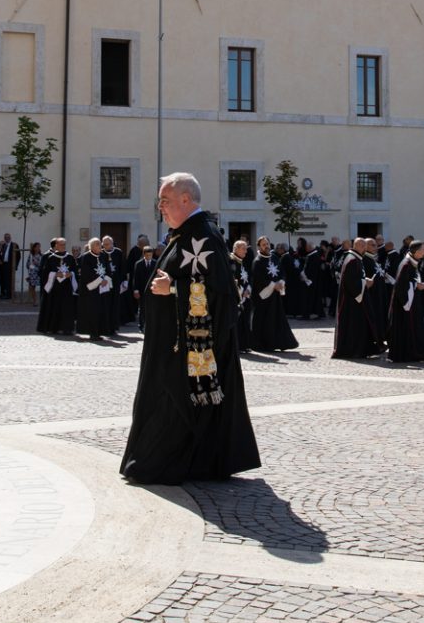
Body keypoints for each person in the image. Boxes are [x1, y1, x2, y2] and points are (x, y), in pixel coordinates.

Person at [121, 173, 260, 484]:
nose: (161, 207)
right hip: (171, 343)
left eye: (166, 201)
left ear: (186, 199)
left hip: (189, 351)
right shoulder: (184, 234)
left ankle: (169, 462)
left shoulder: (204, 237)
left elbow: (221, 295)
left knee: (176, 405)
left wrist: (174, 290)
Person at [249, 236, 299, 352]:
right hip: (263, 297)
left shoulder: (275, 258)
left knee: (277, 319)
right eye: (263, 244)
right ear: (259, 247)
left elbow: (282, 272)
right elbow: (258, 279)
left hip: (275, 296)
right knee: (264, 321)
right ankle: (263, 344)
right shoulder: (257, 261)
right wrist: (273, 285)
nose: (266, 246)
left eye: (267, 243)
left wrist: (281, 282)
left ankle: (281, 342)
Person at [388, 240, 424, 361]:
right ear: (417, 251)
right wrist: (416, 285)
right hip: (405, 304)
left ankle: (421, 351)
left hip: (412, 301)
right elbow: (400, 285)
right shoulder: (406, 264)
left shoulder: (413, 262)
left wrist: (416, 284)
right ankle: (411, 353)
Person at [333, 237, 379, 359]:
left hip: (356, 299)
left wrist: (364, 281)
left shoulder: (355, 258)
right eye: (363, 246)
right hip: (352, 302)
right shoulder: (352, 260)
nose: (365, 249)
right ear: (358, 246)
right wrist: (365, 283)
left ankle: (364, 348)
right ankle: (355, 350)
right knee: (354, 326)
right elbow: (351, 282)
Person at [74, 237, 113, 341]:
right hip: (90, 290)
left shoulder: (104, 255)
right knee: (92, 312)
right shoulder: (86, 257)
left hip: (102, 289)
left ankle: (100, 331)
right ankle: (93, 333)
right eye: (97, 244)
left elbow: (108, 269)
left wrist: (106, 279)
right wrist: (100, 280)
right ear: (91, 246)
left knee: (101, 311)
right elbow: (87, 274)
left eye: (100, 244)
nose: (100, 246)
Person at [36, 238, 77, 335]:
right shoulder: (51, 258)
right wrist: (54, 274)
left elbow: (75, 271)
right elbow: (44, 273)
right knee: (54, 307)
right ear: (56, 245)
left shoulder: (70, 258)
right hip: (54, 288)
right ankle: (53, 328)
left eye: (64, 244)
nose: (63, 246)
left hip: (66, 288)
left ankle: (67, 328)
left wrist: (71, 274)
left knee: (66, 308)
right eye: (61, 244)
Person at [230, 239, 254, 351]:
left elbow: (247, 277)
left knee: (246, 320)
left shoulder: (241, 261)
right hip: (236, 297)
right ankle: (238, 345)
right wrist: (241, 292)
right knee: (238, 323)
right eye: (243, 248)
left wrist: (248, 288)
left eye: (246, 248)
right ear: (236, 249)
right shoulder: (231, 261)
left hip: (245, 296)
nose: (246, 251)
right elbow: (232, 280)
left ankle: (245, 344)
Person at [0, 233, 19, 300]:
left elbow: (18, 256)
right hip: (4, 265)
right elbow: (2, 254)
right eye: (5, 237)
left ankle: (9, 295)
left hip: (11, 265)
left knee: (10, 280)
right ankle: (6, 293)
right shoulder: (3, 245)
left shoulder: (14, 245)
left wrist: (16, 265)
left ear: (10, 238)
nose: (7, 238)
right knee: (5, 280)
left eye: (8, 237)